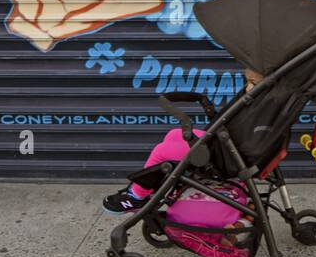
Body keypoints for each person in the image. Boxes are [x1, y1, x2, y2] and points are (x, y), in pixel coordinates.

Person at [102, 68, 264, 214]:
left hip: (228, 155)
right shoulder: (267, 105)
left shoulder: (264, 106)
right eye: (247, 81)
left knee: (161, 151)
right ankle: (151, 187)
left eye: (253, 83)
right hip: (227, 145)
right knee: (175, 134)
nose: (247, 88)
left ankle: (137, 196)